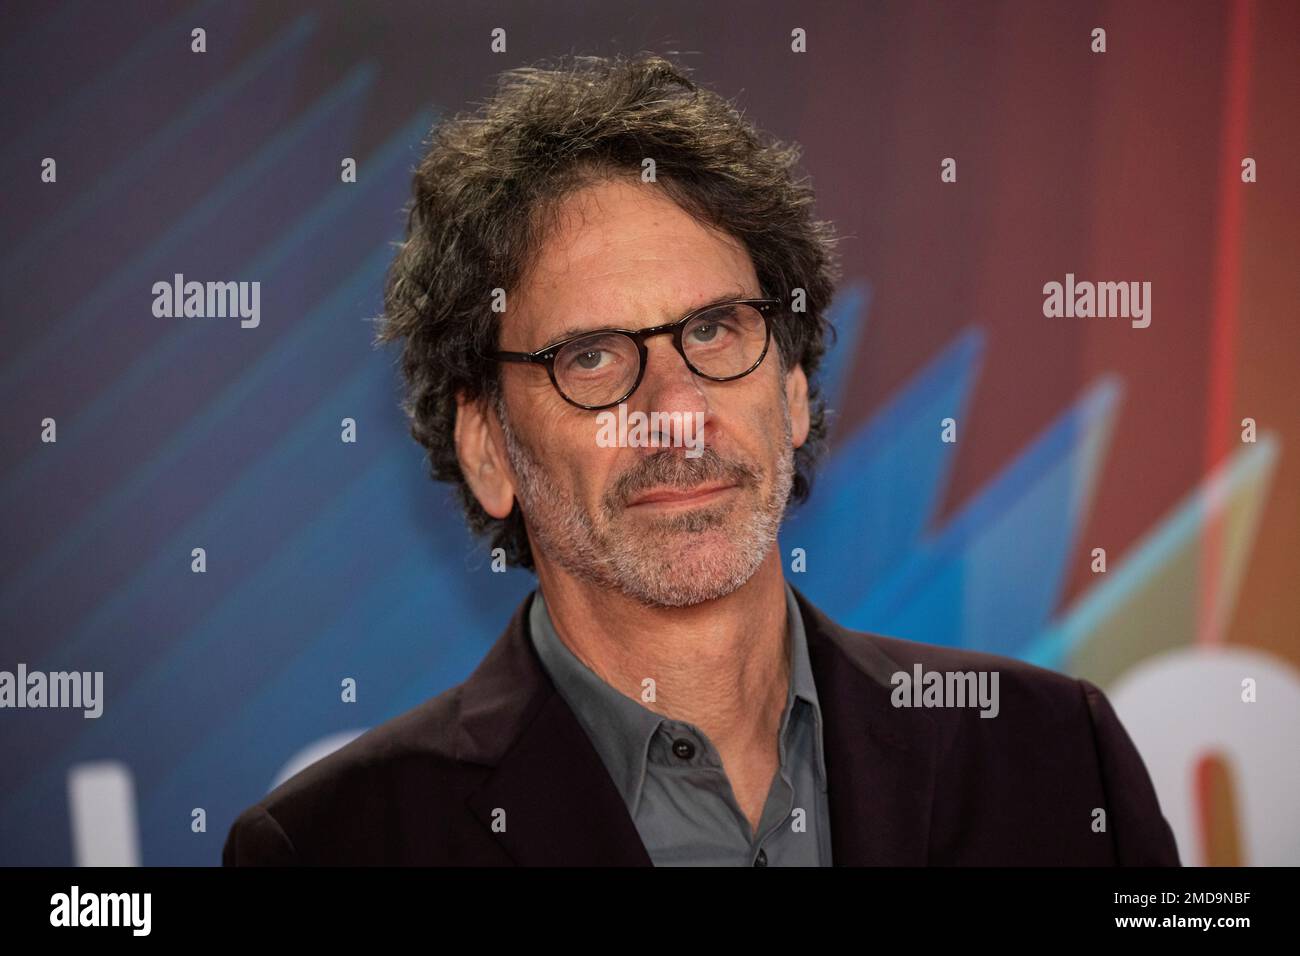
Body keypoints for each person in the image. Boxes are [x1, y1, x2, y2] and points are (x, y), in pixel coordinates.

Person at [223, 53, 1179, 866]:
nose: (675, 412)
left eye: (717, 331)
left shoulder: (1053, 756)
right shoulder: (334, 849)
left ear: (794, 390)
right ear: (489, 449)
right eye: (591, 357)